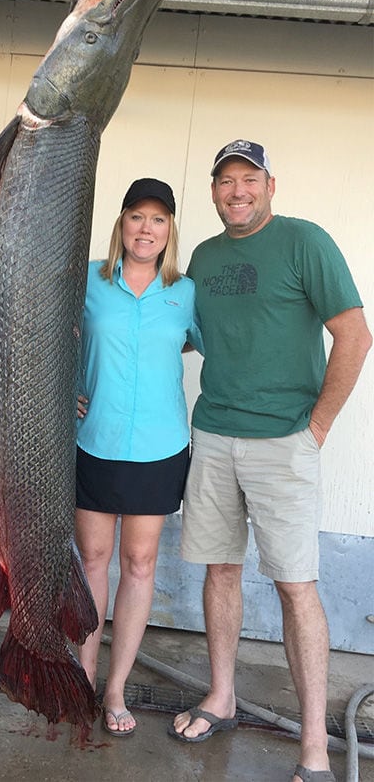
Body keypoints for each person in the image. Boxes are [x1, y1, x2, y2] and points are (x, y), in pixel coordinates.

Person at [169, 140, 372, 782]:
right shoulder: (202, 256)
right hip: (215, 434)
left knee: (295, 586)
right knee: (220, 572)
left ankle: (315, 741)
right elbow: (184, 334)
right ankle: (222, 697)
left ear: (270, 185)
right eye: (225, 181)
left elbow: (355, 334)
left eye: (248, 179)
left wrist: (316, 428)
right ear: (213, 191)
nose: (237, 191)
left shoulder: (304, 242)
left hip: (284, 442)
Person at [75, 178, 202, 736]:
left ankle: (116, 688)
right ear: (121, 223)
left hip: (159, 446)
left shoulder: (186, 292)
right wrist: (67, 385)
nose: (145, 228)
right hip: (94, 439)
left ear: (169, 228)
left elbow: (200, 338)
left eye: (157, 219)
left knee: (140, 564)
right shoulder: (89, 282)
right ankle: (81, 676)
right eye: (135, 217)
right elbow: (54, 335)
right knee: (93, 560)